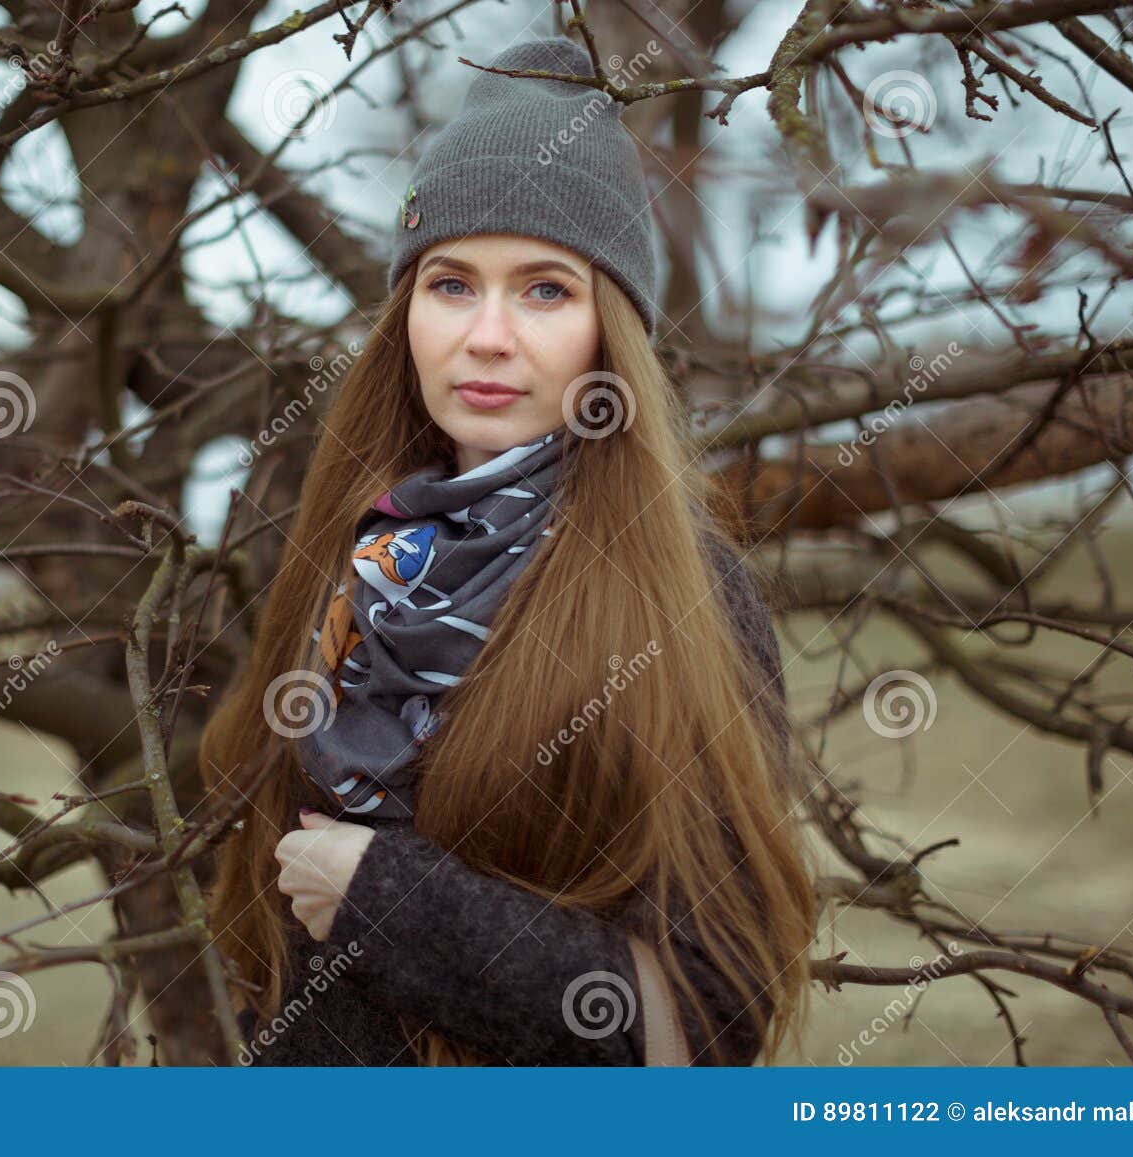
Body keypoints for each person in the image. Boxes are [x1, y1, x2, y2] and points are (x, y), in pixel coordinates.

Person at [200, 34, 817, 1067]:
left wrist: (388, 903)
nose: (486, 334)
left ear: (607, 331)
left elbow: (715, 1016)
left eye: (543, 289)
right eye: (450, 284)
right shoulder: (351, 562)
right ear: (407, 314)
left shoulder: (681, 595)